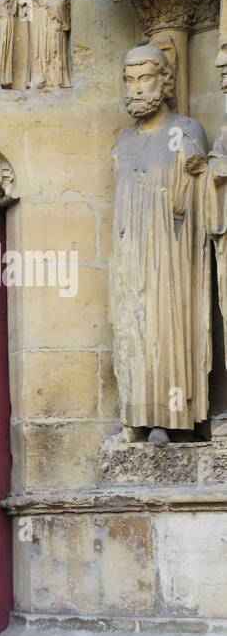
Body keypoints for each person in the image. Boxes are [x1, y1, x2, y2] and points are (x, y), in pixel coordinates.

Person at [108, 46, 210, 443]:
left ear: (164, 82)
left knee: (164, 328)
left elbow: (198, 200)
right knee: (131, 329)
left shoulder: (185, 132)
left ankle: (168, 419)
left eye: (145, 78)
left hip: (170, 252)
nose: (136, 89)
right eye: (129, 80)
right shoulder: (122, 142)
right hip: (129, 250)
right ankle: (136, 414)